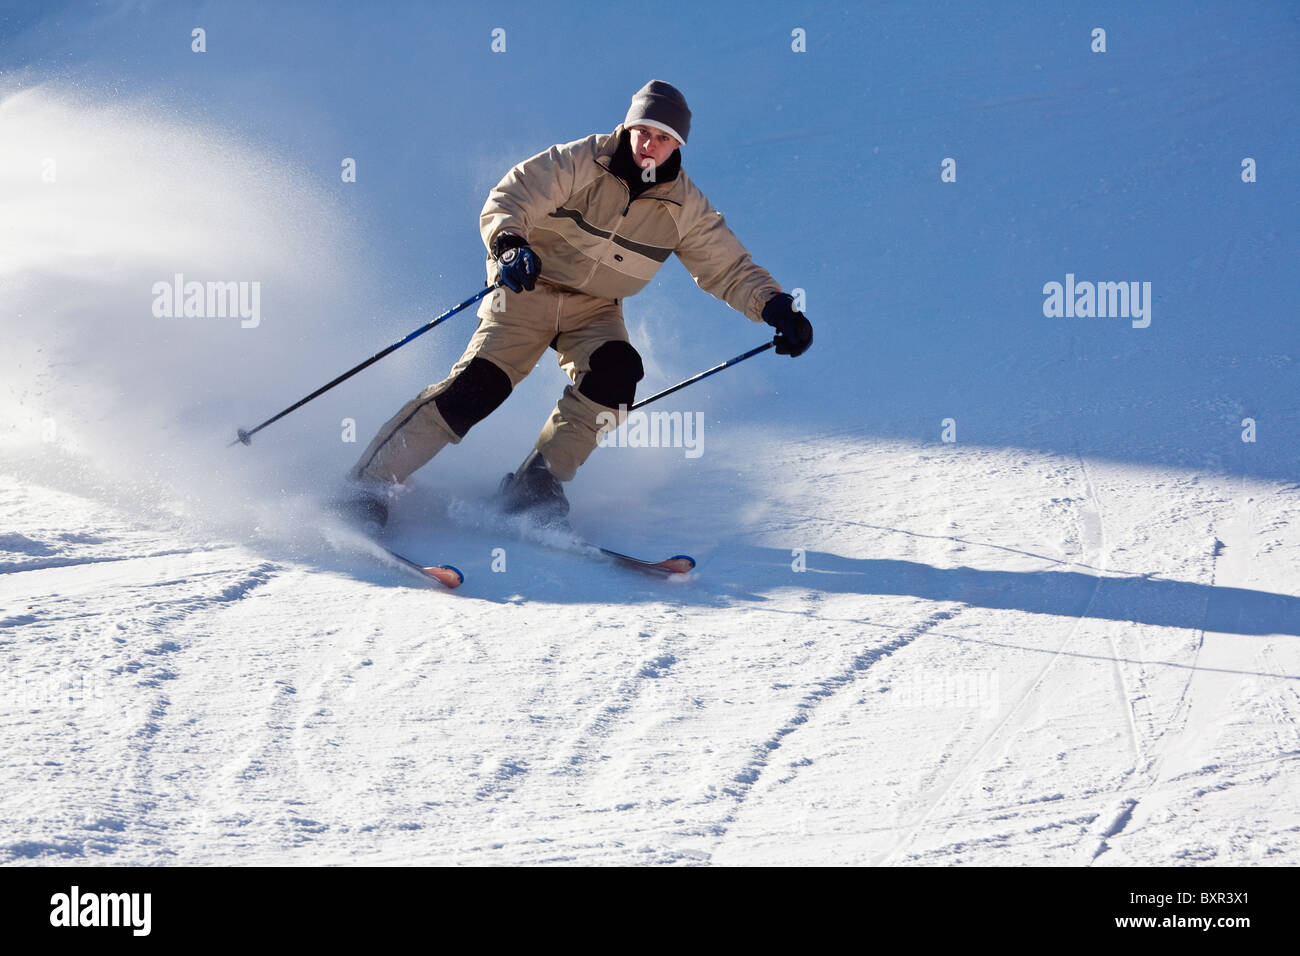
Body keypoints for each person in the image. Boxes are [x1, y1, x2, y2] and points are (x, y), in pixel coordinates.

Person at [345, 80, 812, 528]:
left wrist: (775, 307)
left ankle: (537, 481)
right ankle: (366, 486)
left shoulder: (684, 207)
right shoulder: (582, 161)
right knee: (479, 385)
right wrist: (509, 244)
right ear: (628, 129)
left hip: (595, 308)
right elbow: (513, 195)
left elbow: (727, 267)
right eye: (642, 132)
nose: (648, 145)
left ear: (678, 146)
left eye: (662, 138)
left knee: (618, 372)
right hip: (528, 287)